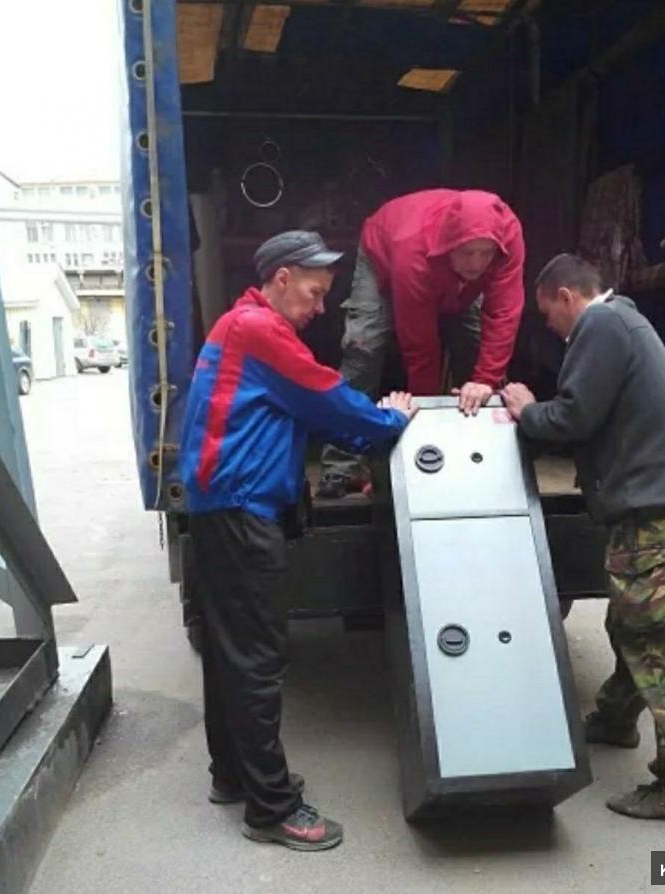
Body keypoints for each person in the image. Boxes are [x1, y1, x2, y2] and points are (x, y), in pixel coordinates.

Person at [179, 230, 416, 851]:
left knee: (231, 655)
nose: (319, 309)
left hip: (217, 512)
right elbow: (329, 402)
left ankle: (234, 775)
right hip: (240, 514)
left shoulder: (237, 327)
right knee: (258, 661)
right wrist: (395, 419)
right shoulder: (261, 333)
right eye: (314, 294)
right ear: (281, 279)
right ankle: (272, 808)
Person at [501, 253, 665, 820]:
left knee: (658, 644)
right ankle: (617, 719)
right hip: (654, 503)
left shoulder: (600, 326)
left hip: (651, 510)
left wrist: (525, 409)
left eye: (549, 315)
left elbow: (573, 418)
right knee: (630, 621)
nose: (551, 327)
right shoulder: (624, 321)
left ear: (567, 296)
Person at [318, 188, 525, 498]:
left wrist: (485, 380)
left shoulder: (508, 235)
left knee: (479, 350)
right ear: (451, 245)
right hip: (388, 259)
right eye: (468, 252)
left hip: (451, 282)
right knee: (365, 348)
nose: (477, 263)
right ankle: (341, 466)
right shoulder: (411, 251)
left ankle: (491, 457)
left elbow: (504, 313)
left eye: (485, 253)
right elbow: (420, 347)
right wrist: (419, 439)